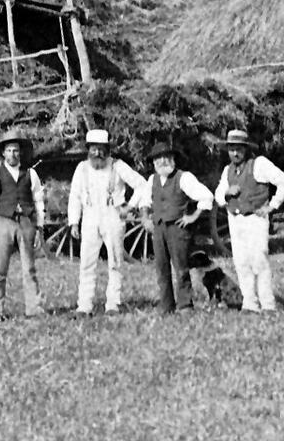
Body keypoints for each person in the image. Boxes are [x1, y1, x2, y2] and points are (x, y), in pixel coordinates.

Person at [67, 128, 147, 315]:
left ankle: (113, 303)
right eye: (94, 148)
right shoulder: (82, 168)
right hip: (89, 216)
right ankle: (84, 305)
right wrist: (73, 222)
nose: (97, 153)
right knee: (86, 263)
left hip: (112, 216)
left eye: (101, 148)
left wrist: (129, 206)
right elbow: (75, 196)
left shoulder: (118, 166)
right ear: (88, 149)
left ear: (108, 149)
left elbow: (142, 184)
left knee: (115, 262)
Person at [214, 129, 284, 312]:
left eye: (239, 149)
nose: (235, 153)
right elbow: (218, 195)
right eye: (231, 149)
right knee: (241, 262)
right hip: (235, 220)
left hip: (255, 219)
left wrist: (272, 206)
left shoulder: (259, 164)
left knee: (259, 261)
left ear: (246, 149)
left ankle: (268, 304)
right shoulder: (228, 170)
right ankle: (249, 303)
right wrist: (226, 192)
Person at [135, 140, 214, 313]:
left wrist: (192, 217)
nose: (163, 161)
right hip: (159, 229)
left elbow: (206, 196)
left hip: (178, 229)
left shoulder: (183, 177)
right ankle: (166, 305)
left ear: (173, 159)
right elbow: (144, 201)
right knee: (162, 269)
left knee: (181, 268)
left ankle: (185, 305)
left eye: (166, 157)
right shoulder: (152, 180)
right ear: (154, 163)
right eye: (158, 158)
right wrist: (145, 218)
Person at [0, 127, 46, 321]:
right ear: (3, 153)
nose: (12, 154)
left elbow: (38, 200)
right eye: (9, 150)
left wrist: (39, 227)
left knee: (29, 268)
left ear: (21, 153)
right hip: (4, 222)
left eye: (16, 150)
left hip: (25, 222)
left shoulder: (31, 174)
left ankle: (33, 308)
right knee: (0, 269)